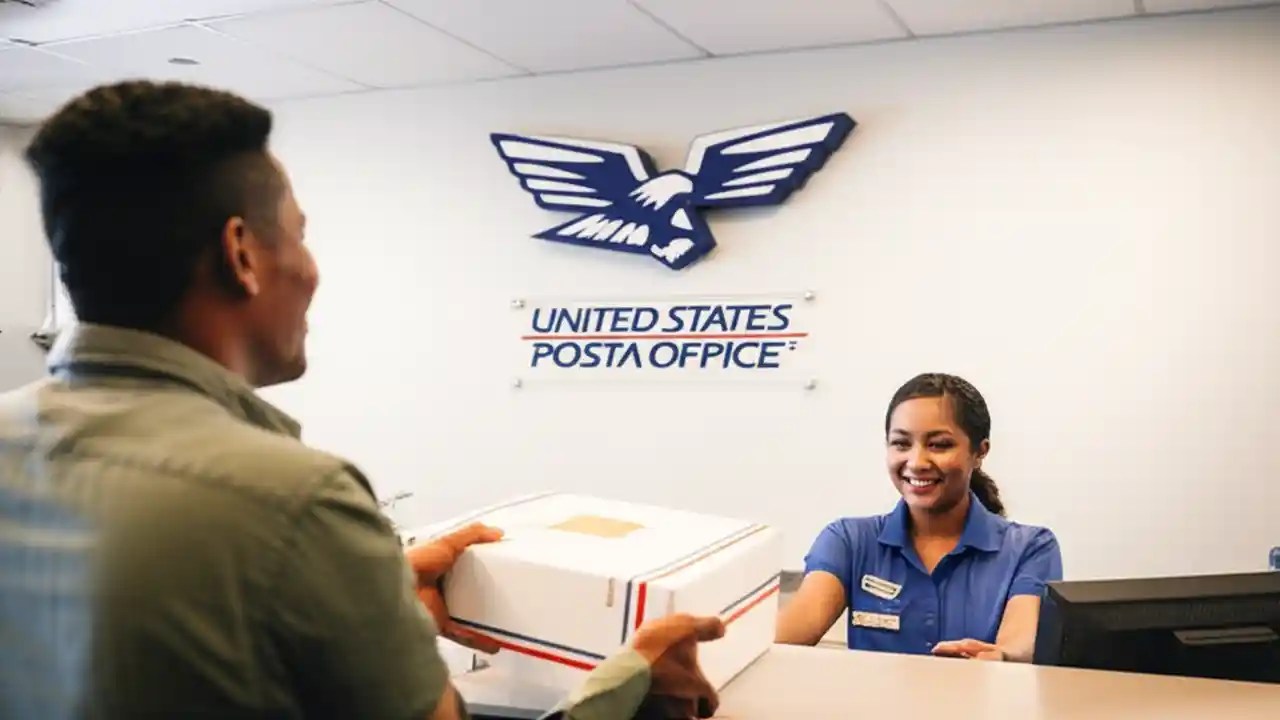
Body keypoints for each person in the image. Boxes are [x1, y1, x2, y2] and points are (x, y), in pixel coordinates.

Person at [0, 79, 723, 720]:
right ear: (241, 253)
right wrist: (631, 678)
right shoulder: (294, 500)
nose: (312, 269)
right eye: (300, 236)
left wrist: (375, 594)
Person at [775, 373, 1062, 662]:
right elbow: (785, 637)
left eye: (939, 445)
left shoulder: (1029, 547)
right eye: (901, 444)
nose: (917, 462)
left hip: (979, 692)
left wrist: (999, 657)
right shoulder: (848, 541)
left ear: (979, 452)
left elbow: (1021, 643)